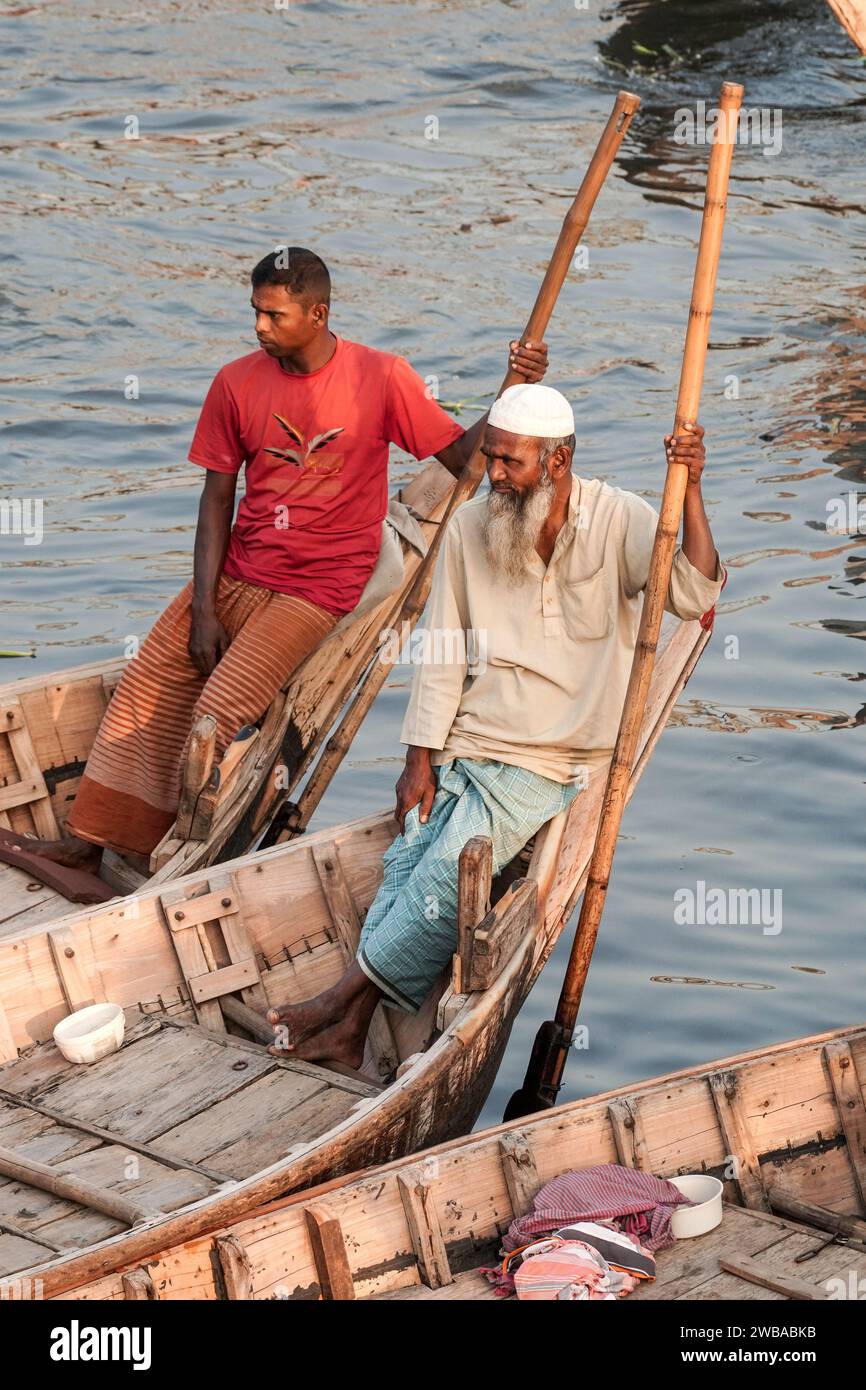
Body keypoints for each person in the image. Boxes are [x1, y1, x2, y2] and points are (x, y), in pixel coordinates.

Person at [23, 247, 548, 869]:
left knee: (215, 716)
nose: (260, 328)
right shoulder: (235, 382)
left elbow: (461, 462)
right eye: (256, 313)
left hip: (318, 588)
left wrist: (514, 393)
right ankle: (87, 845)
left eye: (274, 316)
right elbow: (216, 499)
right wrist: (203, 610)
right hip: (241, 569)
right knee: (146, 685)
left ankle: (162, 861)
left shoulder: (380, 376)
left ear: (318, 313)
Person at [267, 382, 725, 1069]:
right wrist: (417, 758)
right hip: (470, 741)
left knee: (444, 872)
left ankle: (340, 1000)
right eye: (493, 459)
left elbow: (693, 591)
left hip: (555, 756)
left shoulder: (622, 520)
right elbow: (442, 651)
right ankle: (350, 1032)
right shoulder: (470, 528)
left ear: (559, 459)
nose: (497, 475)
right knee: (409, 864)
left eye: (511, 462)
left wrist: (689, 488)